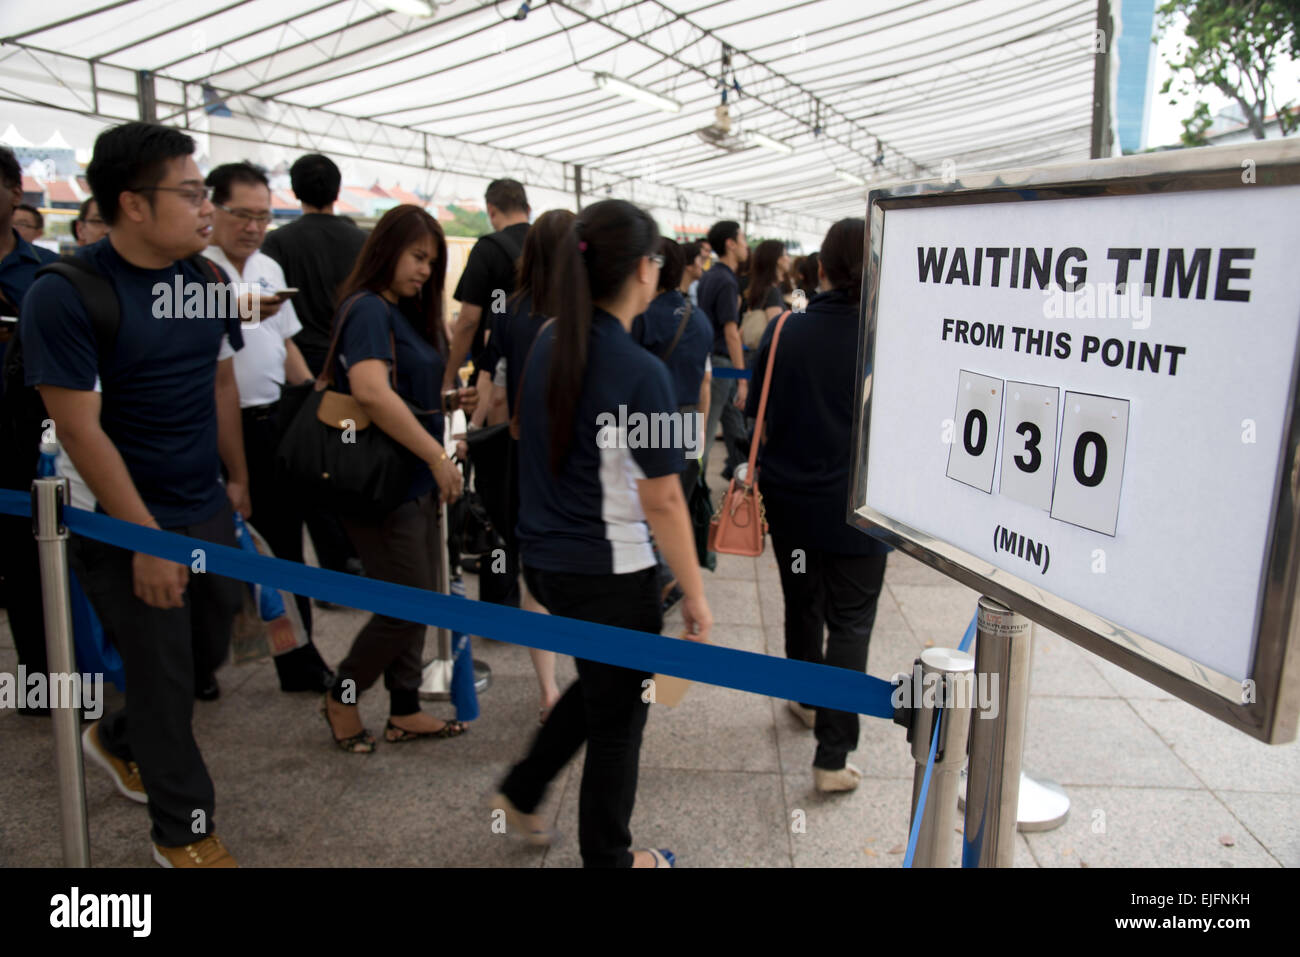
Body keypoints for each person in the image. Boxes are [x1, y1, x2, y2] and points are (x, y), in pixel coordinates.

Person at [21, 121, 249, 865]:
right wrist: (146, 539)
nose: (205, 207)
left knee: (208, 648)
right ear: (133, 204)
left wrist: (237, 475)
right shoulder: (67, 293)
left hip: (204, 503)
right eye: (189, 194)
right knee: (162, 670)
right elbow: (79, 429)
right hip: (120, 521)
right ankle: (184, 831)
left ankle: (116, 737)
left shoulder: (205, 281)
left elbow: (216, 381)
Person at [495, 199, 713, 868]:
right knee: (621, 720)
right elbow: (666, 499)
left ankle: (524, 788)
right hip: (610, 574)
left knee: (600, 686)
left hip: (547, 562)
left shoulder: (550, 338)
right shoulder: (639, 371)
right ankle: (611, 859)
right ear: (645, 271)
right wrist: (697, 596)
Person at [320, 204, 477, 753]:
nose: (425, 271)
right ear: (386, 249)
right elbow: (369, 391)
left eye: (432, 262)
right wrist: (436, 457)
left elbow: (402, 392)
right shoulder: (367, 310)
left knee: (422, 596)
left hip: (409, 480)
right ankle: (342, 692)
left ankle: (405, 708)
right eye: (417, 257)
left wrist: (448, 402)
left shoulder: (398, 311)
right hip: (380, 482)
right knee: (406, 601)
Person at [745, 218, 889, 793]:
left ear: (821, 269)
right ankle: (832, 756)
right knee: (850, 624)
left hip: (792, 502)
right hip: (862, 511)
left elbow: (758, 413)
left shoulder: (785, 331)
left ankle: (804, 698)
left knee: (800, 600)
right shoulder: (889, 338)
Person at [202, 161, 334, 694]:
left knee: (284, 545)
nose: (254, 226)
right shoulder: (193, 272)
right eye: (242, 214)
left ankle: (299, 661)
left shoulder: (270, 268)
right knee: (209, 551)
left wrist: (313, 406)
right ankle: (199, 664)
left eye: (263, 215)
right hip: (209, 429)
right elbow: (217, 382)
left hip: (271, 422)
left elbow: (285, 346)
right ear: (211, 210)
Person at [477, 208, 575, 722]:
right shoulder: (588, 309)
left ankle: (547, 689)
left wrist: (474, 431)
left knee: (533, 570)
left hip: (524, 453)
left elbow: (492, 381)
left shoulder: (510, 308)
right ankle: (593, 677)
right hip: (578, 456)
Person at [260, 152, 365, 584]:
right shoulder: (360, 240)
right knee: (351, 460)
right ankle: (360, 553)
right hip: (352, 369)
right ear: (337, 191)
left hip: (300, 373)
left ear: (295, 190)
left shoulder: (277, 244)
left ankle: (333, 564)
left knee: (311, 467)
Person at [0, 145, 60, 714]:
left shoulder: (43, 272)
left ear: (15, 192)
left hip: (25, 435)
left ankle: (44, 681)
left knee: (31, 563)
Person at [697, 220, 748, 480]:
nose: (745, 245)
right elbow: (731, 333)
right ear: (730, 243)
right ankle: (695, 495)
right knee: (704, 434)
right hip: (722, 366)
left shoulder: (709, 276)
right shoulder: (727, 281)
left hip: (711, 362)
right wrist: (742, 378)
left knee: (732, 425)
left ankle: (743, 480)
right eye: (742, 239)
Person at [742, 239, 789, 345]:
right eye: (786, 254)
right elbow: (777, 328)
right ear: (778, 260)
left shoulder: (759, 288)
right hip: (767, 355)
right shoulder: (772, 291)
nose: (788, 259)